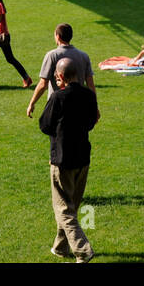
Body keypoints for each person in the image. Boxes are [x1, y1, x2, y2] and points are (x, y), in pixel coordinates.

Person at [39, 56, 99, 262]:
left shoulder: (58, 97)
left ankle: (83, 250)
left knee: (64, 209)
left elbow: (45, 125)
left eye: (56, 75)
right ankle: (60, 247)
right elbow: (92, 121)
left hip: (62, 160)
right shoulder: (89, 96)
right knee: (70, 206)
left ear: (61, 76)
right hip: (83, 157)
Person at [26, 22, 96, 118]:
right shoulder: (83, 56)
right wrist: (95, 107)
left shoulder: (52, 56)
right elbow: (90, 84)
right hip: (79, 106)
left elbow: (43, 84)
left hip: (58, 106)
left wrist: (32, 103)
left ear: (58, 36)